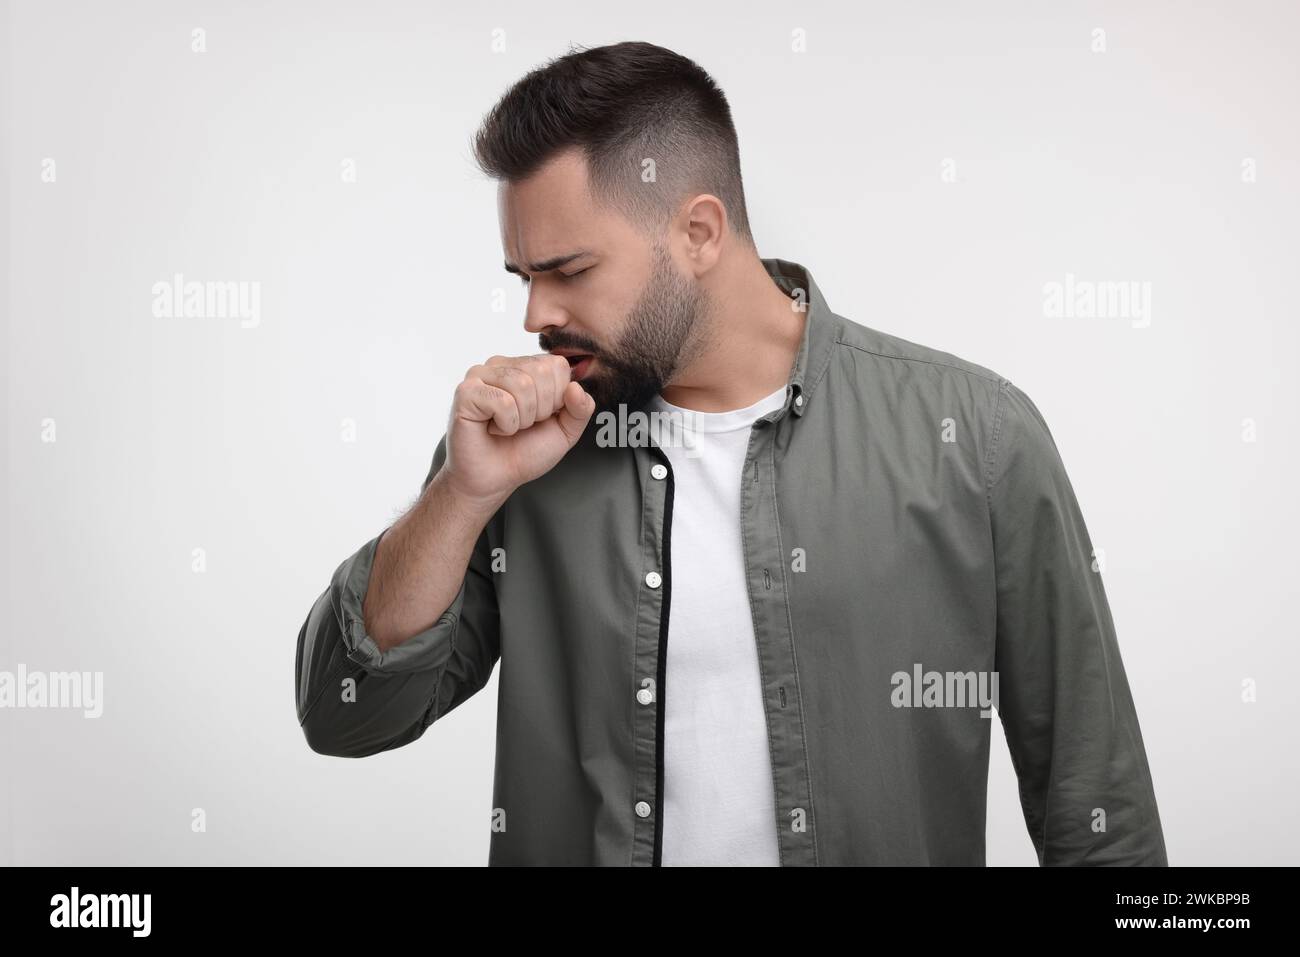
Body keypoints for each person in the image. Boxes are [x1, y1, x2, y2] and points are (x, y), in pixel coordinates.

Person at [294, 40, 1168, 866]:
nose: (535, 317)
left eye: (568, 270)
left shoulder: (974, 437)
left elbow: (1094, 802)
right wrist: (460, 493)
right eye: (524, 278)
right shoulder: (516, 455)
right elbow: (348, 715)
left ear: (700, 233)